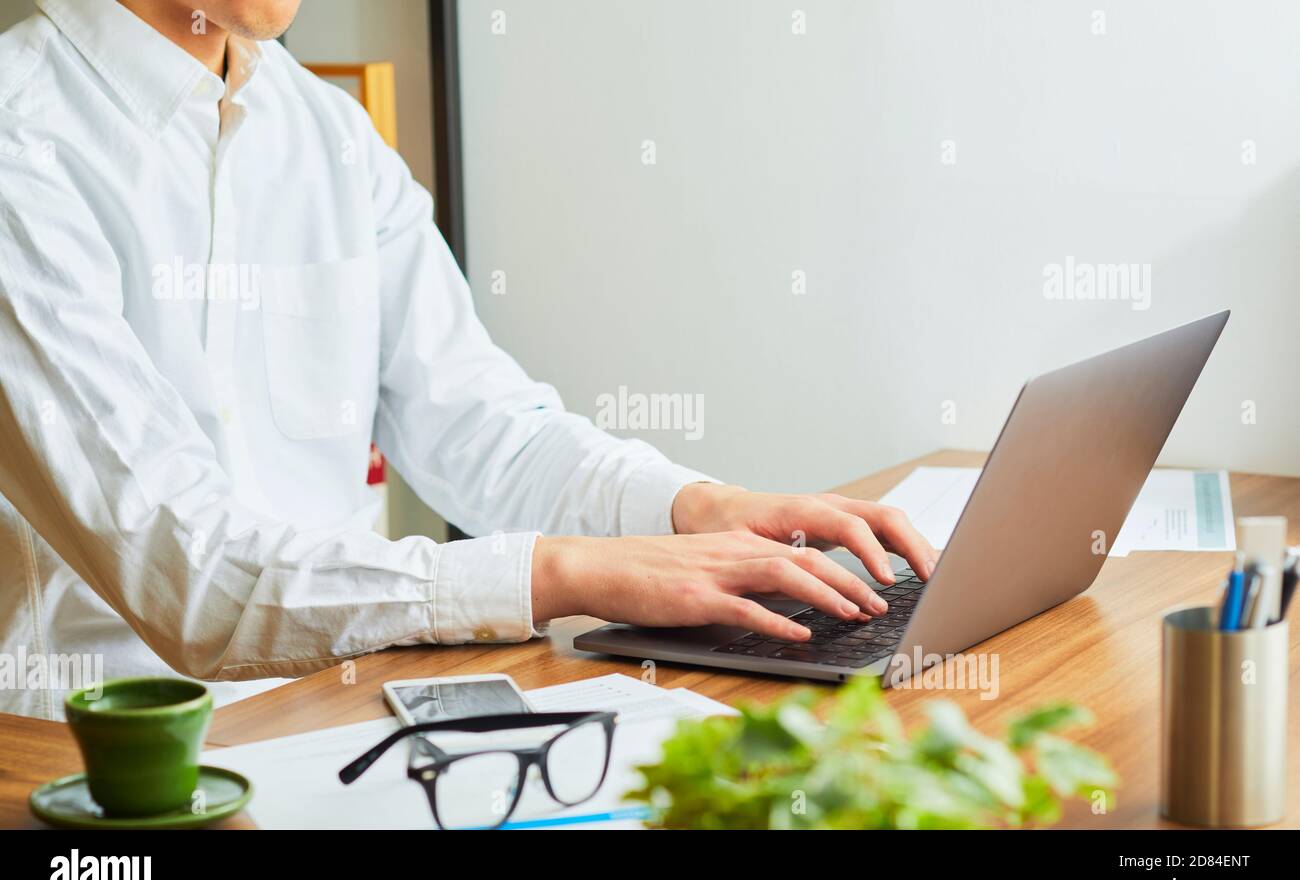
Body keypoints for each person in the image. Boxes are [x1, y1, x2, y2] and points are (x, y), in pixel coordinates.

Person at [0, 0, 936, 719]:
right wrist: (564, 572)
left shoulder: (326, 132)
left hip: (346, 715)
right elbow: (192, 574)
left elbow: (481, 424)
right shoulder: (20, 141)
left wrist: (699, 509)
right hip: (94, 765)